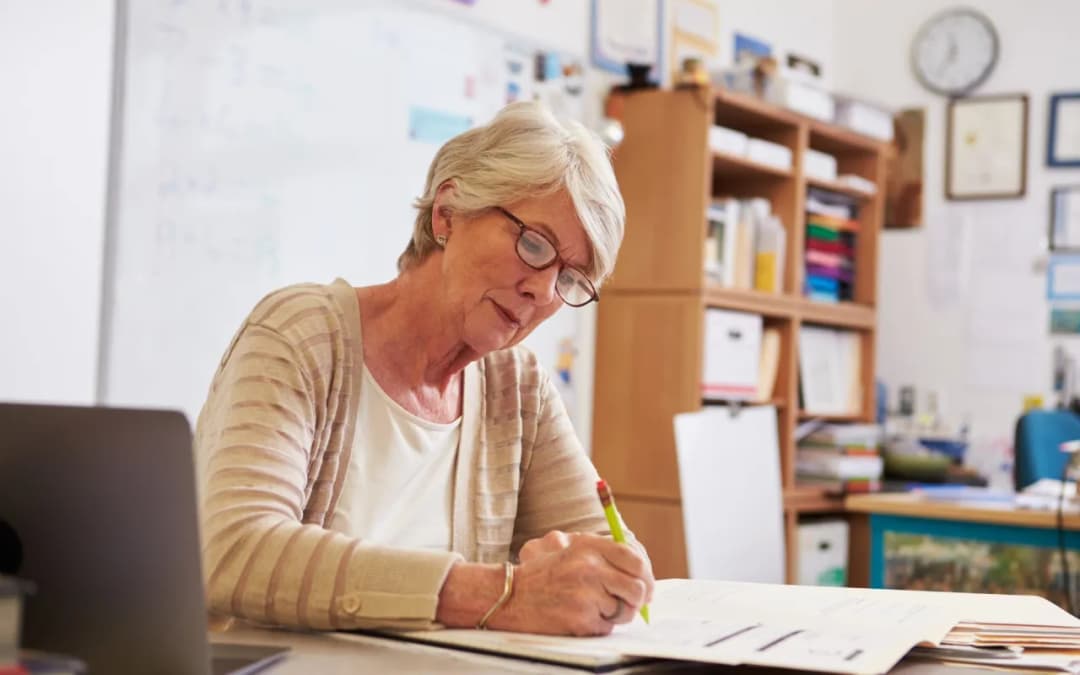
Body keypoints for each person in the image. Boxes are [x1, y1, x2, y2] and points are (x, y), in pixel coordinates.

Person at [195, 101, 654, 637]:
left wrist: (609, 577)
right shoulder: (302, 335)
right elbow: (235, 550)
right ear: (447, 214)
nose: (542, 290)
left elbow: (607, 558)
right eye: (534, 245)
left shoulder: (518, 387)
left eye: (571, 279)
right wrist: (501, 595)